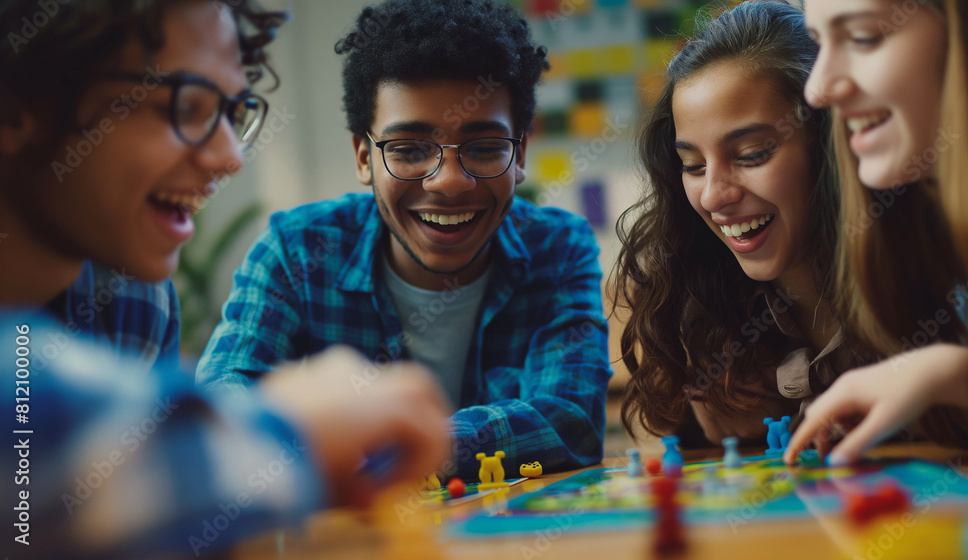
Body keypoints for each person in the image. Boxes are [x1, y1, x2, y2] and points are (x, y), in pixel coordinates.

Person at [0, 1, 450, 557]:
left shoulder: (138, 298)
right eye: (186, 106)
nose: (230, 157)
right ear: (16, 109)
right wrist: (292, 430)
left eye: (234, 112)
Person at [196, 0, 612, 478]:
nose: (449, 182)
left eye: (483, 148)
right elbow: (223, 404)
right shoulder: (296, 251)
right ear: (362, 157)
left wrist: (362, 439)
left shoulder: (559, 250)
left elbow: (570, 421)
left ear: (519, 155)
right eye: (409, 149)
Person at [610, 0, 875, 446]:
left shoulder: (934, 278)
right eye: (692, 165)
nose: (713, 195)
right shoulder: (698, 321)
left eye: (752, 155)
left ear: (832, 142)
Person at [785, 0, 968, 466]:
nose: (817, 90)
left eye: (863, 38)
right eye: (819, 44)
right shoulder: (929, 230)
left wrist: (950, 374)